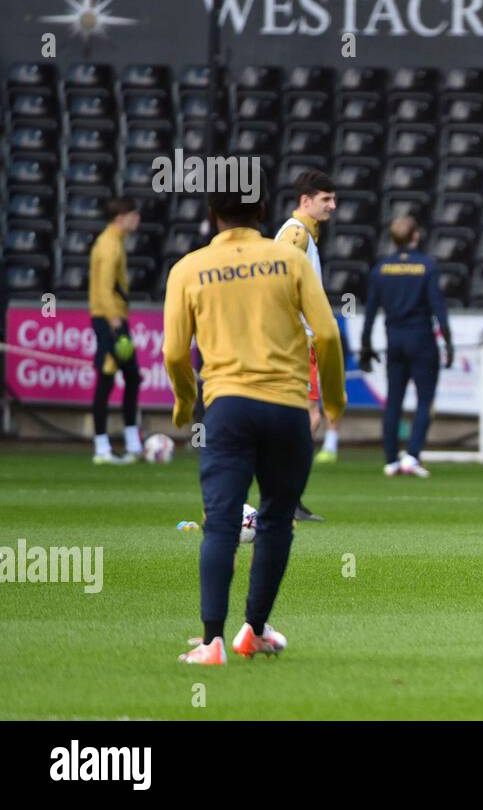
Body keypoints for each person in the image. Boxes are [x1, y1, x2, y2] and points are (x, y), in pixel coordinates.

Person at [165, 189, 345, 664]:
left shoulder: (188, 268)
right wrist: (335, 398)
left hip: (228, 408)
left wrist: (185, 404)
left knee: (221, 524)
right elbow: (326, 333)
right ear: (263, 211)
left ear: (212, 214)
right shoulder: (290, 259)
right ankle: (256, 630)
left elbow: (173, 352)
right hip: (286, 409)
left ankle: (211, 643)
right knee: (276, 521)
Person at [360, 215, 454, 478]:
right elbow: (438, 308)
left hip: (394, 340)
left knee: (393, 402)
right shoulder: (427, 266)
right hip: (422, 339)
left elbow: (370, 312)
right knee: (425, 400)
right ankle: (412, 456)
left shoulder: (381, 268)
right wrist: (448, 342)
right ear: (416, 236)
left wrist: (366, 345)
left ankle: (391, 460)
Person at [275, 169, 337, 521]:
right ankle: (286, 495)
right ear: (305, 201)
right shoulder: (296, 235)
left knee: (309, 415)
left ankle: (286, 494)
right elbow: (276, 284)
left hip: (301, 339)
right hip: (298, 341)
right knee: (308, 416)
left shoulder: (303, 234)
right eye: (326, 199)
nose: (333, 205)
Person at [88, 197, 143, 464]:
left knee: (125, 377)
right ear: (120, 217)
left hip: (112, 318)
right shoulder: (110, 245)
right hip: (111, 320)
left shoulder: (112, 241)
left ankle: (125, 443)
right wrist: (114, 322)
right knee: (114, 378)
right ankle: (104, 447)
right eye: (133, 215)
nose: (137, 220)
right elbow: (103, 289)